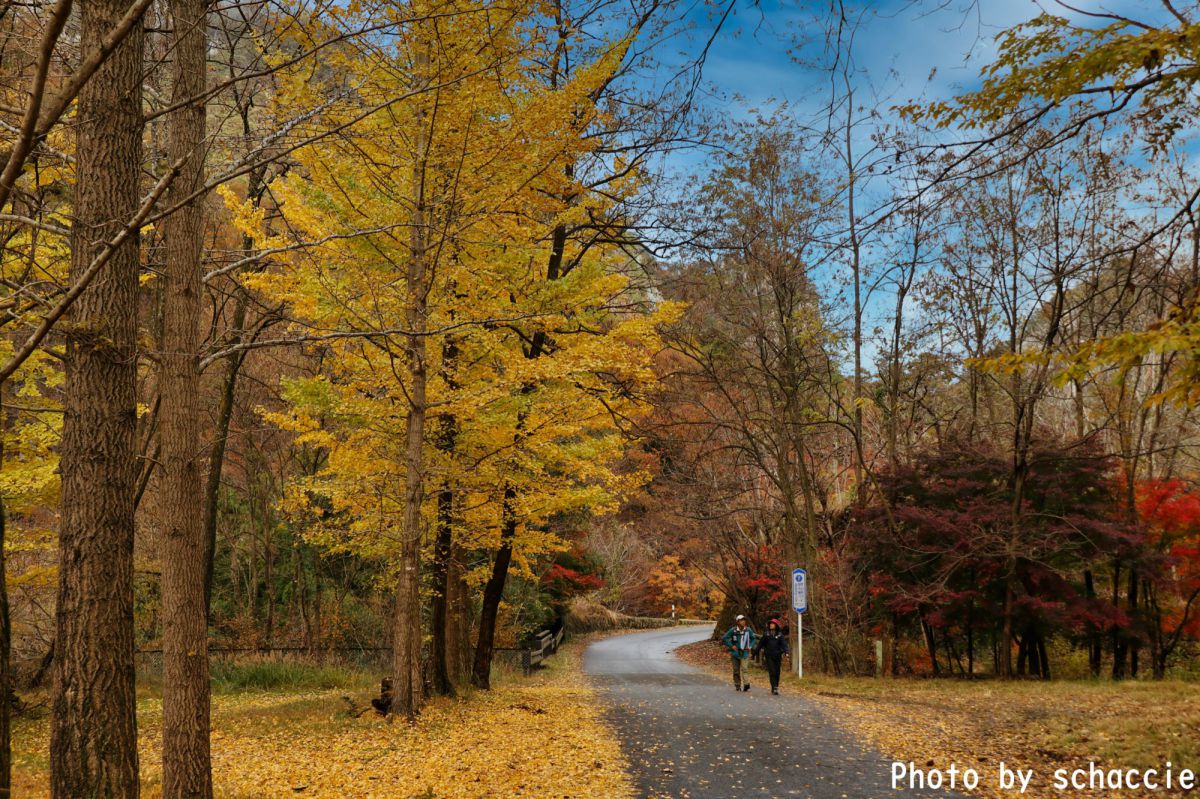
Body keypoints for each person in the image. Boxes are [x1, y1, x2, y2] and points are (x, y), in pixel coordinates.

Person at [720, 614, 758, 692]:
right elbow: (725, 638)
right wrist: (731, 646)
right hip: (735, 653)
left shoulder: (748, 630)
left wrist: (750, 646)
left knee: (744, 669)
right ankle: (737, 685)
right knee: (736, 670)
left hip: (745, 653)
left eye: (744, 620)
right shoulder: (733, 630)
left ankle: (746, 684)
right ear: (737, 622)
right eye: (741, 620)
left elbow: (753, 639)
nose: (743, 621)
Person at [754, 618, 790, 694]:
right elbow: (760, 644)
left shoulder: (780, 635)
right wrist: (755, 653)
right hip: (769, 655)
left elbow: (784, 644)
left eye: (773, 624)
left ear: (776, 626)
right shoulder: (766, 634)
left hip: (777, 655)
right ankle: (774, 687)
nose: (771, 625)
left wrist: (786, 652)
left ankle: (776, 686)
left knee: (777, 672)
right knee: (772, 671)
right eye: (770, 624)